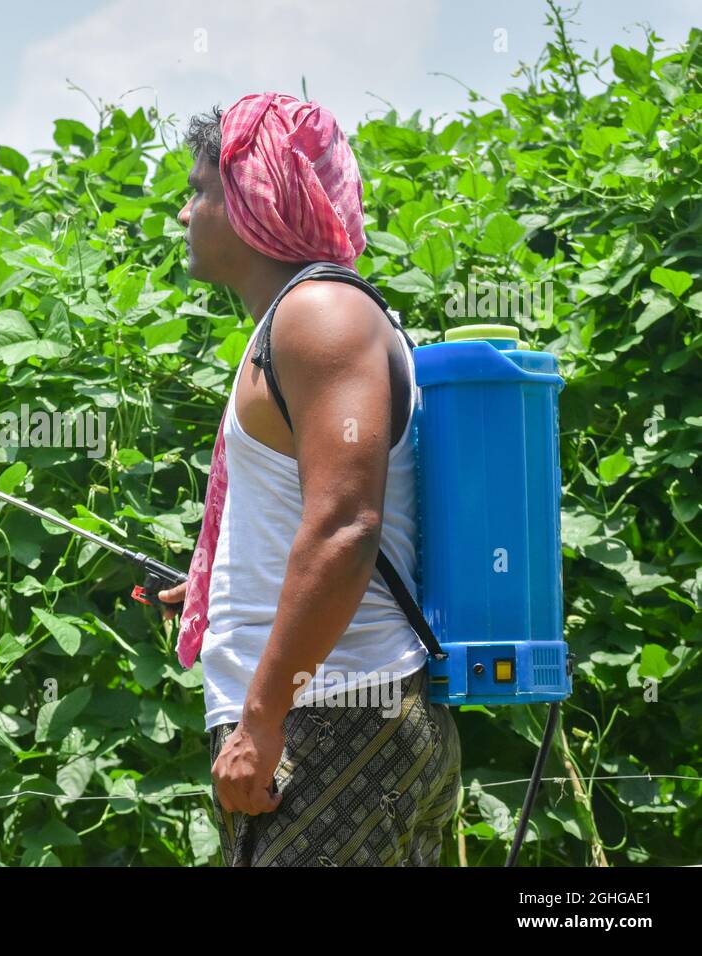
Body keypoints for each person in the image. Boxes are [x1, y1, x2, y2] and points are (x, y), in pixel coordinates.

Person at [158, 93, 461, 867]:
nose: (186, 213)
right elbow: (314, 516)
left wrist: (262, 721)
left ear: (255, 200)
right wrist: (219, 585)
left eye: (201, 191)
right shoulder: (292, 323)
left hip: (333, 718)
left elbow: (345, 526)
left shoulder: (321, 314)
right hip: (329, 716)